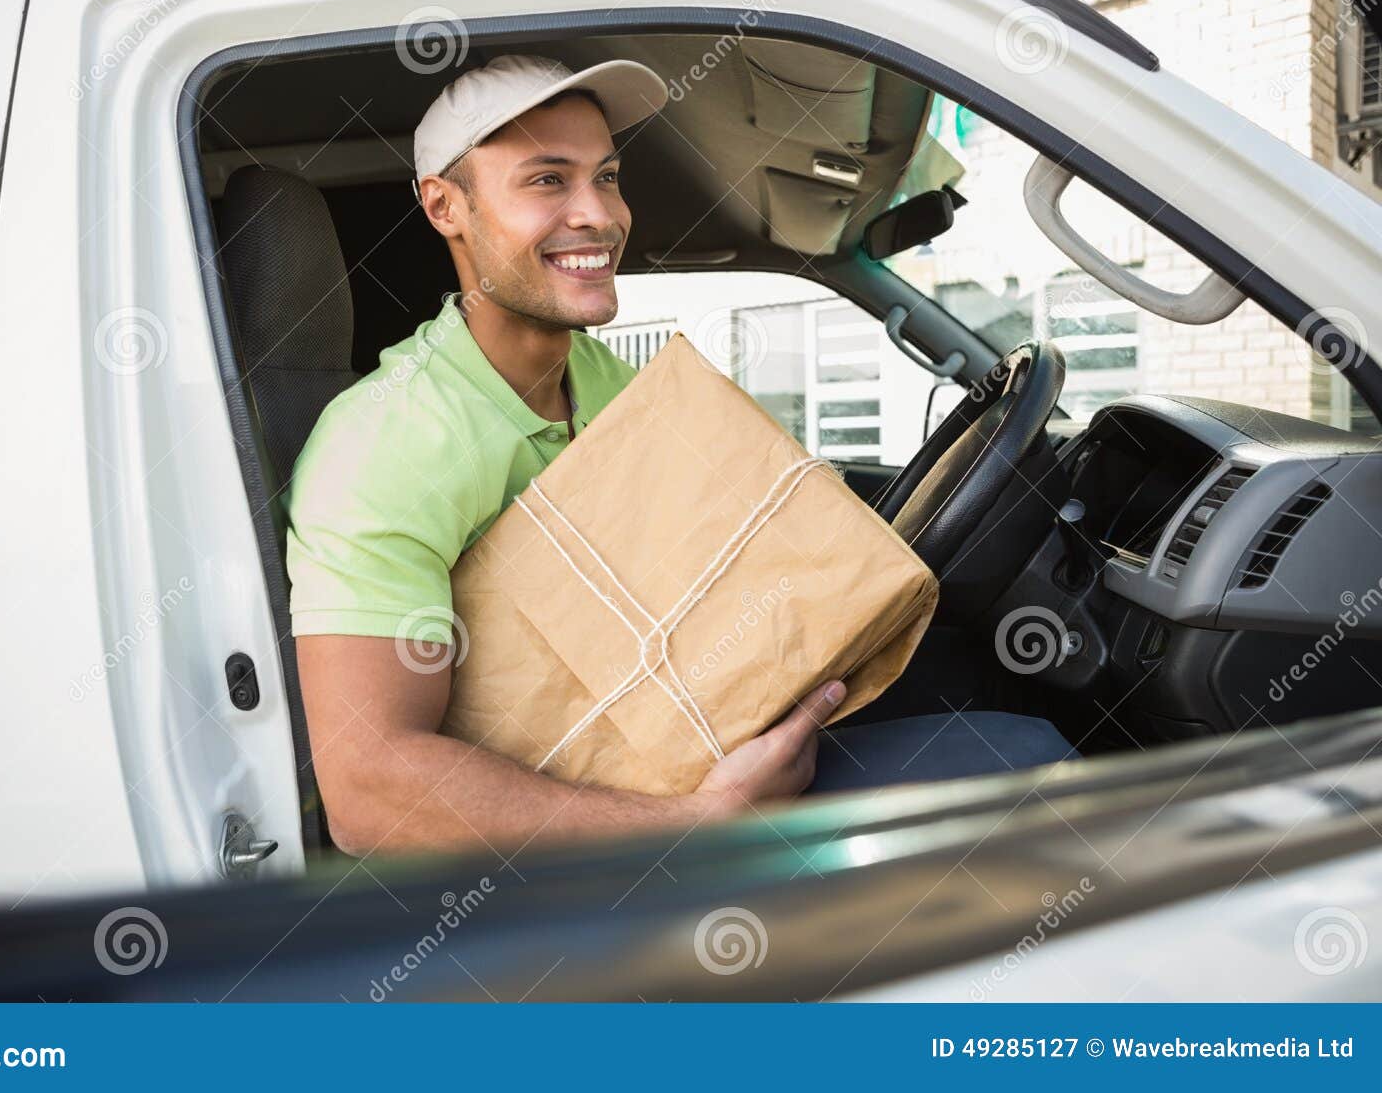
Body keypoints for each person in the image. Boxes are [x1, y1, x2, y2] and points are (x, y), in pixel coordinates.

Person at [285, 54, 1075, 855]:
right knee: (1035, 767)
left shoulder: (603, 378)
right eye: (548, 181)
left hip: (681, 748)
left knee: (977, 689)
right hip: (572, 863)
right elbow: (366, 790)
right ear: (444, 205)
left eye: (609, 176)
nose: (599, 214)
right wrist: (696, 824)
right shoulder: (383, 444)